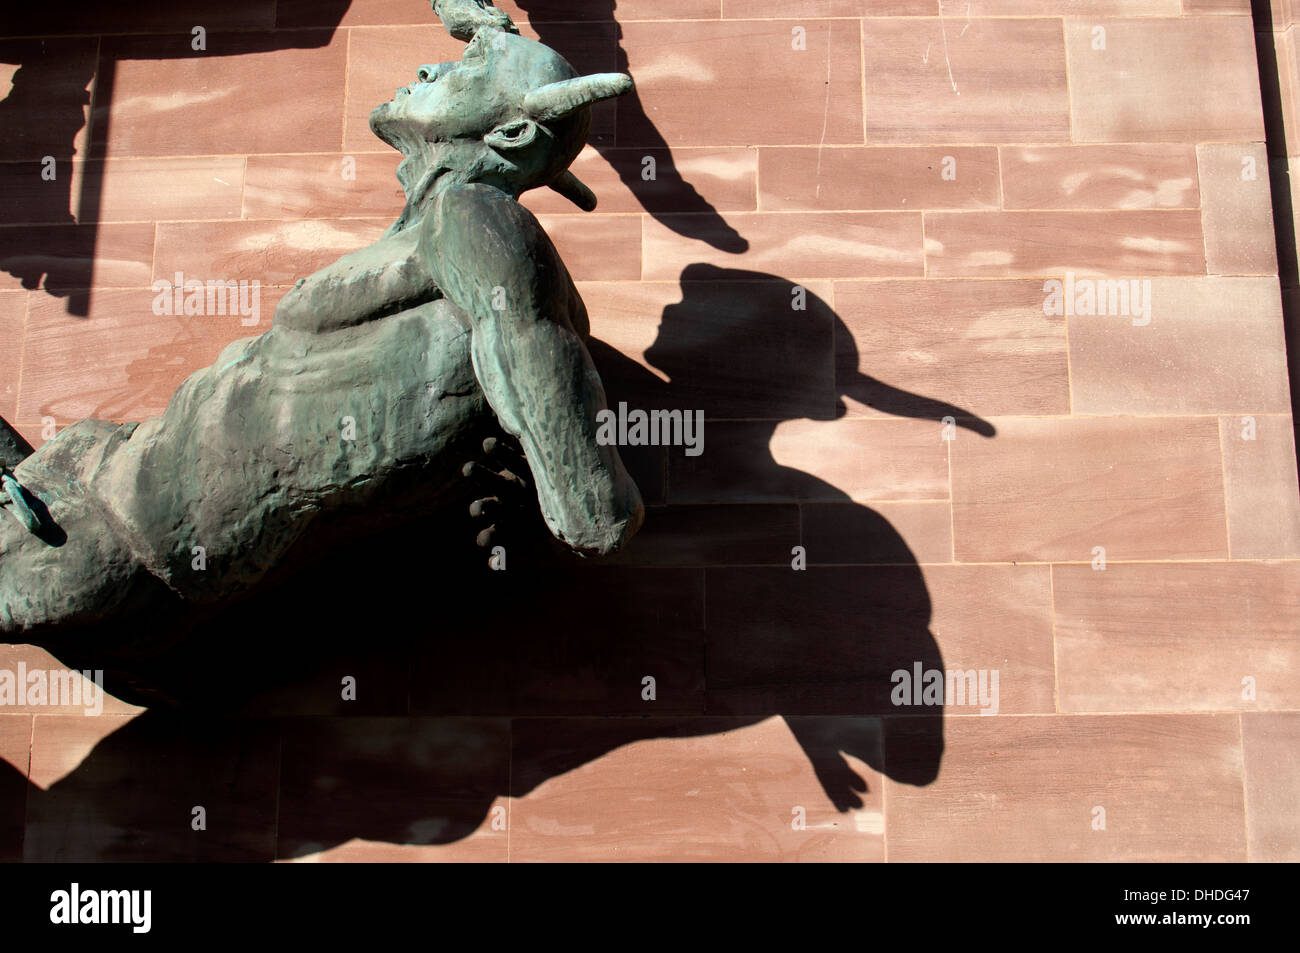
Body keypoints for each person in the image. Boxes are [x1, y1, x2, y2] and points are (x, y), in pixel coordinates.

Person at [0, 27, 644, 634]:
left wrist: (546, 430)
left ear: (511, 132)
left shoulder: (477, 217)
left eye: (471, 64)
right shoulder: (436, 242)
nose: (431, 67)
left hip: (108, 542)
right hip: (95, 492)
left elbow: (591, 512)